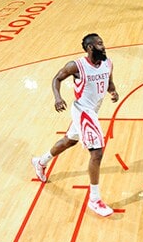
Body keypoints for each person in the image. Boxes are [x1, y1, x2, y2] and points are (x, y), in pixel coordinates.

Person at [30, 33, 120, 218]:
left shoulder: (108, 63)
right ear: (90, 47)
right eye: (99, 44)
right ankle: (94, 200)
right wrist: (57, 98)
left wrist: (113, 92)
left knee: (68, 141)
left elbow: (109, 83)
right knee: (97, 153)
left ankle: (40, 161)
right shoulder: (77, 66)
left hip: (92, 111)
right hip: (82, 111)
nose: (103, 46)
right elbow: (57, 79)